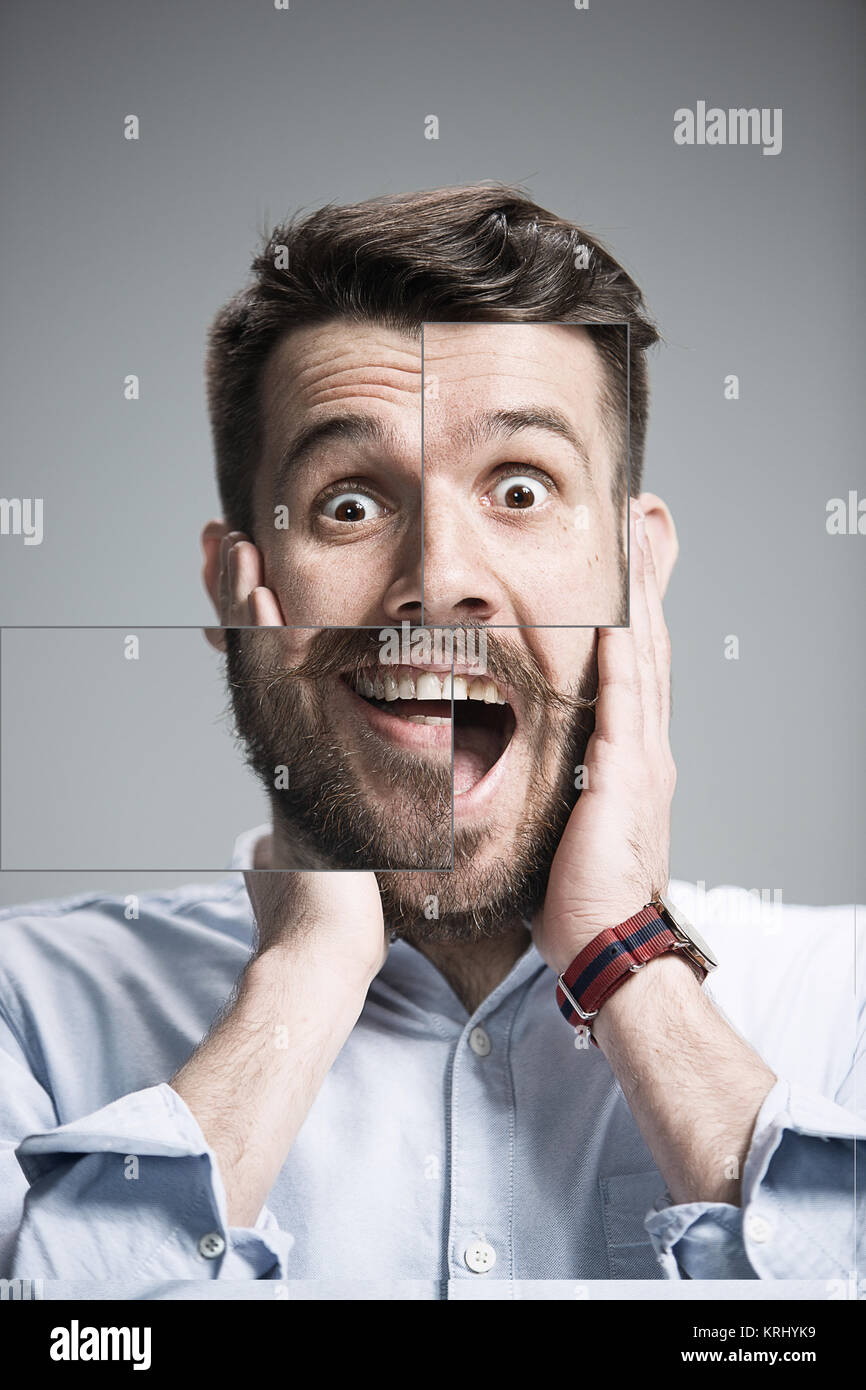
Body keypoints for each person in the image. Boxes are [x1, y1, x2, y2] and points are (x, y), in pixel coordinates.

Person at [0, 185, 862, 1294]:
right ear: (233, 583)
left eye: (518, 487)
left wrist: (626, 957)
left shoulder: (839, 1002)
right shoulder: (27, 1007)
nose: (438, 578)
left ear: (631, 571)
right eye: (349, 505)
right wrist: (304, 977)